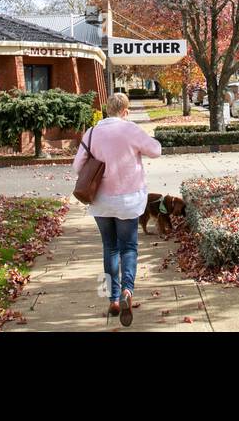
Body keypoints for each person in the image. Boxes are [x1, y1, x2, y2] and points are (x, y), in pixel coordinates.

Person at [72, 91, 162, 326]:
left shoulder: (91, 132)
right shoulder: (130, 129)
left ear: (106, 110)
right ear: (126, 111)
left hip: (100, 201)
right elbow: (156, 150)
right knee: (128, 247)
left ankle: (112, 298)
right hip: (128, 200)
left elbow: (76, 167)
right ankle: (127, 292)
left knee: (109, 248)